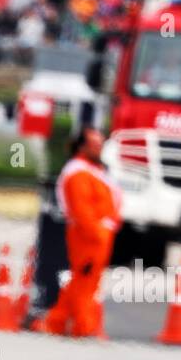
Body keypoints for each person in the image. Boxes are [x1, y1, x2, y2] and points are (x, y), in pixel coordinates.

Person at [38, 125, 121, 338]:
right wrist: (96, 233)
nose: (99, 149)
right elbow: (81, 209)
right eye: (95, 144)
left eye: (100, 144)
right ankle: (84, 326)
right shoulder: (78, 173)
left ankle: (56, 322)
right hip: (88, 235)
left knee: (86, 281)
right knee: (84, 282)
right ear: (81, 147)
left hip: (98, 234)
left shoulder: (92, 169)